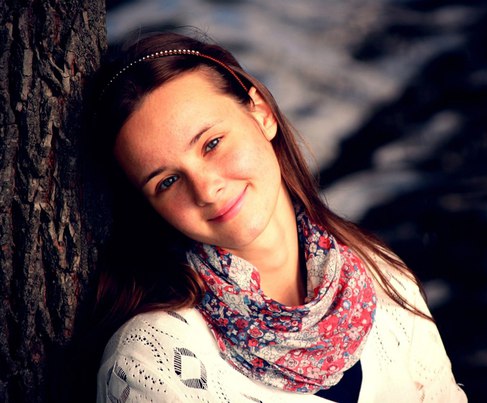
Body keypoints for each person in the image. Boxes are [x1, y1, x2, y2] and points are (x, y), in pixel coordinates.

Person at [91, 30, 467, 402]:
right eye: (168, 181)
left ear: (262, 114)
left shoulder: (384, 277)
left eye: (212, 143)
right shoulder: (150, 363)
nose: (205, 190)